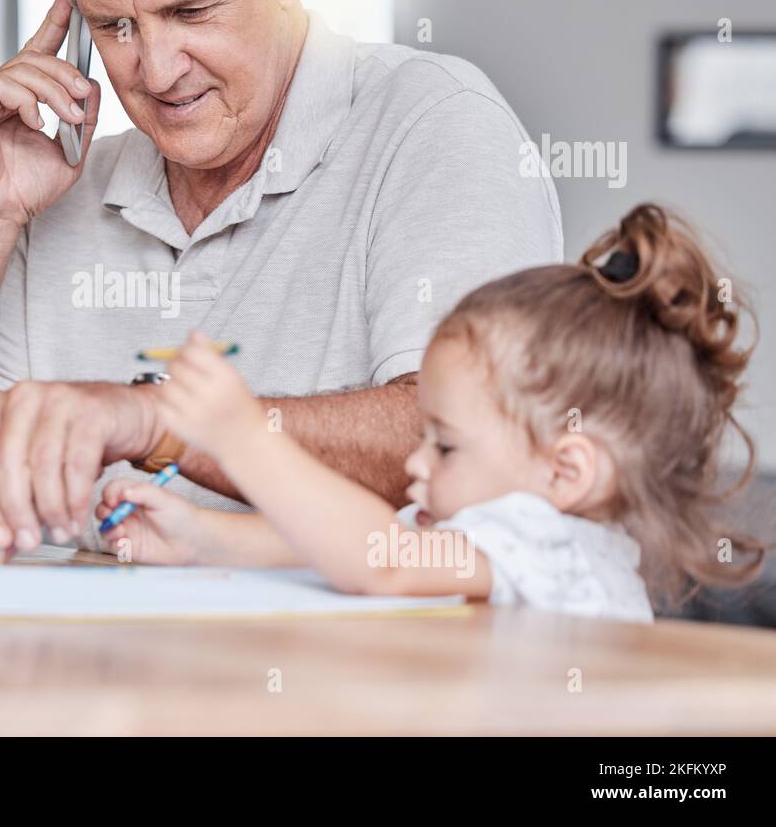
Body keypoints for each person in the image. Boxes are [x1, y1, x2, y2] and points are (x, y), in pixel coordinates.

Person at [0, 0, 561, 556]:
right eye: (114, 27)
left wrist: (157, 422)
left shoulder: (437, 124)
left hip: (361, 663)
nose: (158, 72)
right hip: (98, 660)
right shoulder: (54, 196)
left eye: (190, 10)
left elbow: (486, 450)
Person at [95, 205, 765, 621]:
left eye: (445, 446)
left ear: (565, 471)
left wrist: (242, 435)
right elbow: (324, 550)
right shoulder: (472, 529)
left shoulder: (556, 547)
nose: (416, 460)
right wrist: (199, 539)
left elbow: (378, 560)